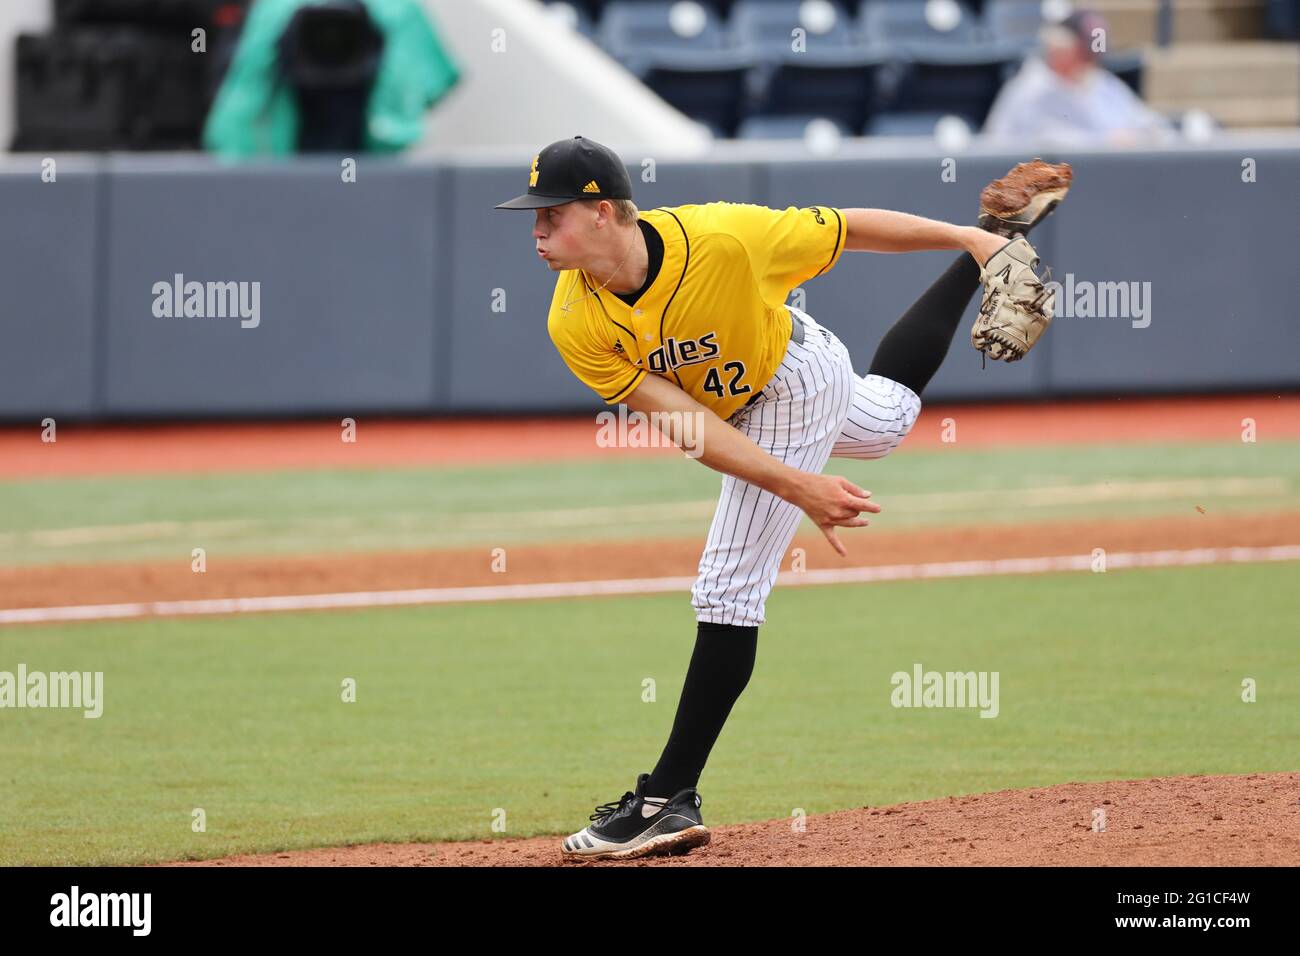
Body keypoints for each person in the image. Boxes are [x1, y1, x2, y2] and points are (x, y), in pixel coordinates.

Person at [496, 137, 1067, 861]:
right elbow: (691, 427)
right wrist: (797, 486)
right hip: (745, 409)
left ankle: (666, 796)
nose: (537, 232)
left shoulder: (724, 239)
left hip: (793, 379)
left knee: (728, 588)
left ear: (602, 212)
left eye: (551, 215)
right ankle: (999, 233)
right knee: (887, 422)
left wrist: (961, 234)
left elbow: (845, 228)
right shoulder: (573, 320)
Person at [984, 10, 1175, 147]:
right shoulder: (1030, 89)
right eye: (1083, 53)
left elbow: (1150, 125)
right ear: (1058, 48)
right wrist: (1107, 141)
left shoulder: (1103, 82)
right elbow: (1045, 143)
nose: (1089, 62)